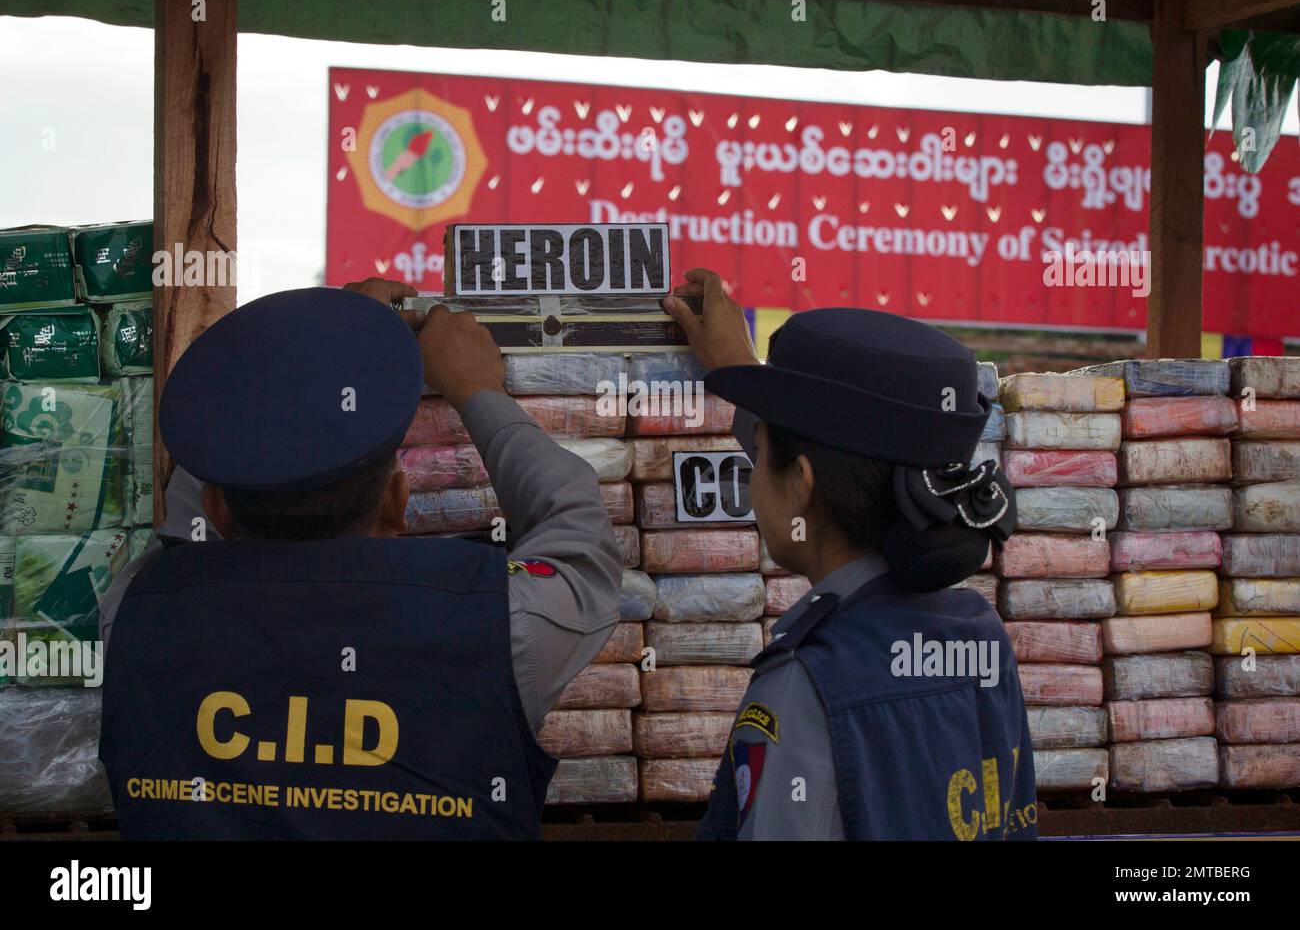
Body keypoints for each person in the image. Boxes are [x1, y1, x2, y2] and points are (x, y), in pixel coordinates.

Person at [98, 281, 622, 839]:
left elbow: (192, 505)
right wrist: (474, 387)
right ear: (398, 505)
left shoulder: (130, 613)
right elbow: (579, 533)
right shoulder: (504, 626)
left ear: (216, 509)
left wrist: (313, 350)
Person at [661, 269, 1036, 840]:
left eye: (758, 454)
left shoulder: (802, 687)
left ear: (801, 483)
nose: (751, 470)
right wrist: (742, 375)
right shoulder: (981, 639)